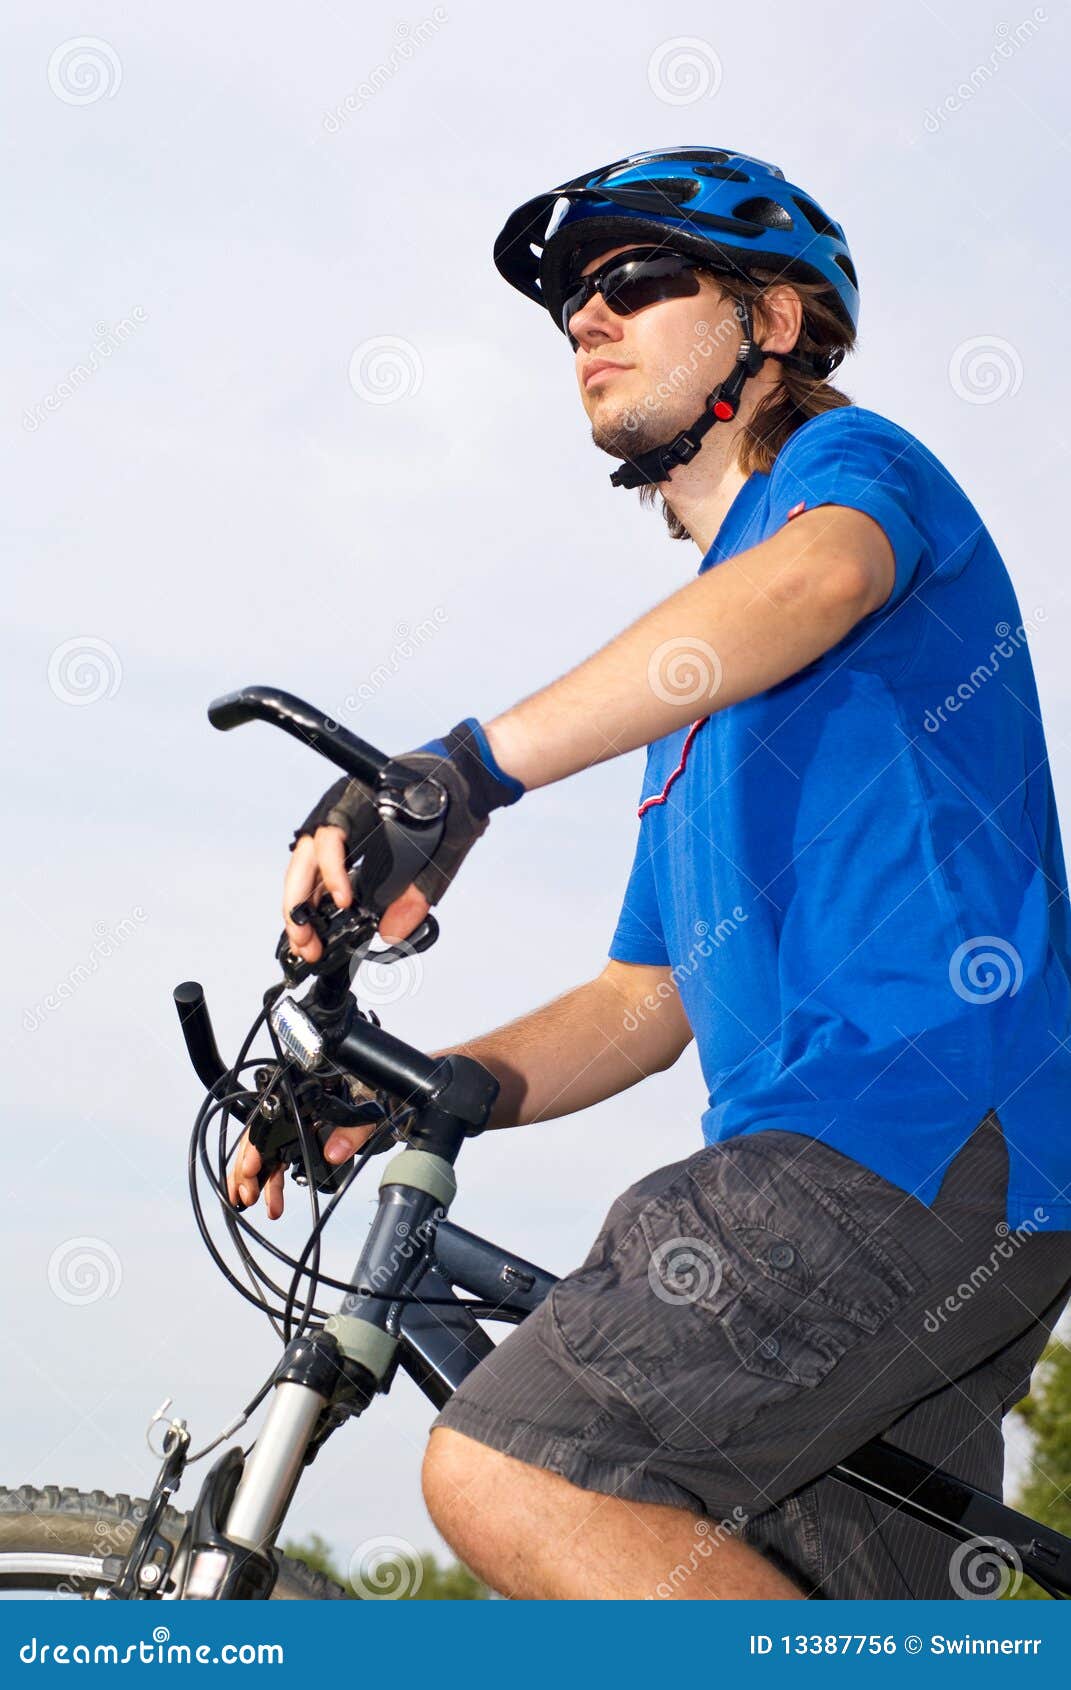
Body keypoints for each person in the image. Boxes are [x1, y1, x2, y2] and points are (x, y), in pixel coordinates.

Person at [229, 147, 1071, 1599]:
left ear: (778, 323)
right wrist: (420, 1081)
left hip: (907, 1119)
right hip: (927, 1190)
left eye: (634, 279)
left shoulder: (845, 480)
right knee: (848, 1615)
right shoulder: (693, 697)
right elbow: (643, 999)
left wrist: (464, 770)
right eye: (571, 305)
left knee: (521, 1463)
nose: (587, 319)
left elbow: (821, 581)